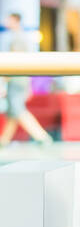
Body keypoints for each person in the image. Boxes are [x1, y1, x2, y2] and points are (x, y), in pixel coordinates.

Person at [0, 13, 51, 148]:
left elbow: (15, 62)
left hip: (16, 79)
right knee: (12, 112)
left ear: (15, 21)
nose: (6, 21)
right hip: (19, 78)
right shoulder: (21, 37)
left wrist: (5, 79)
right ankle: (3, 141)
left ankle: (42, 137)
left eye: (9, 19)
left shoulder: (16, 38)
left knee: (18, 110)